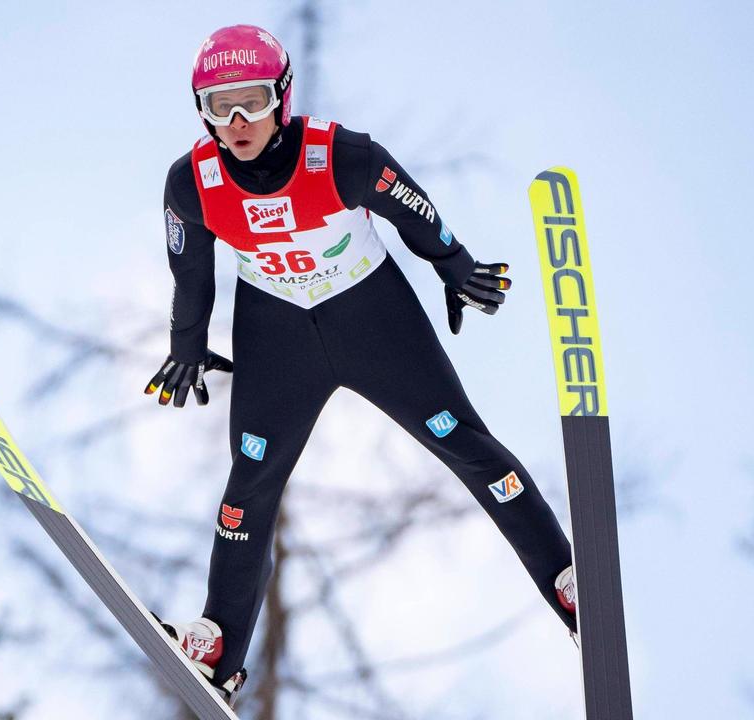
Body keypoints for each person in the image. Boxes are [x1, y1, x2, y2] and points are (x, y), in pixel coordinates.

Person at [145, 24, 578, 707]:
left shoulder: (339, 155)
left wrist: (454, 265)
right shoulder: (190, 183)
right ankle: (221, 648)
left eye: (252, 102)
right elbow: (191, 276)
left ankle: (566, 583)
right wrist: (186, 344)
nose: (237, 122)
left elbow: (414, 210)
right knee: (250, 480)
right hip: (276, 330)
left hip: (370, 318)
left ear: (281, 98)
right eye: (220, 104)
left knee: (462, 442)